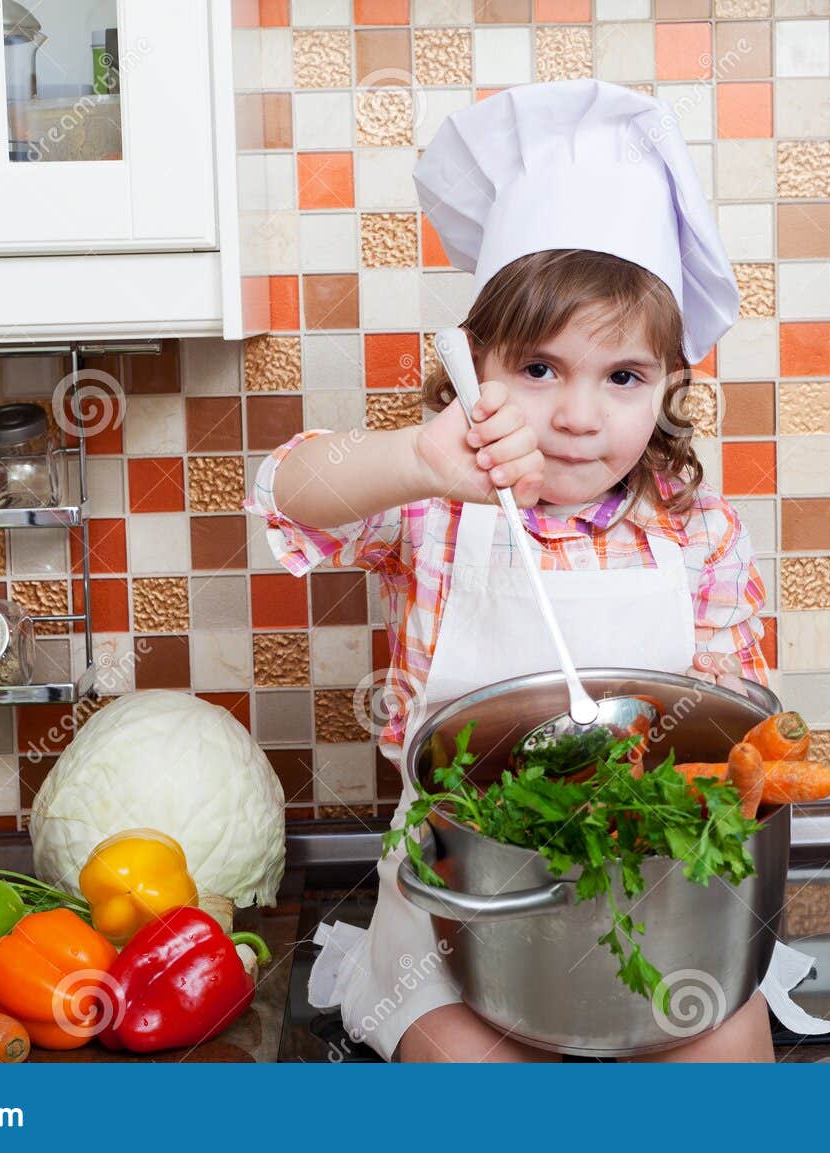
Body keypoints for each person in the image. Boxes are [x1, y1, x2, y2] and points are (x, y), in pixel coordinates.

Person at [248, 79, 773, 1062]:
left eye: (622, 377)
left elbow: (732, 726)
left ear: (668, 387)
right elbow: (284, 489)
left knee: (728, 1052)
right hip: (454, 896)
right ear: (477, 361)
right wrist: (415, 460)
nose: (576, 415)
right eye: (539, 369)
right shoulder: (432, 508)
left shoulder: (698, 532)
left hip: (647, 894)